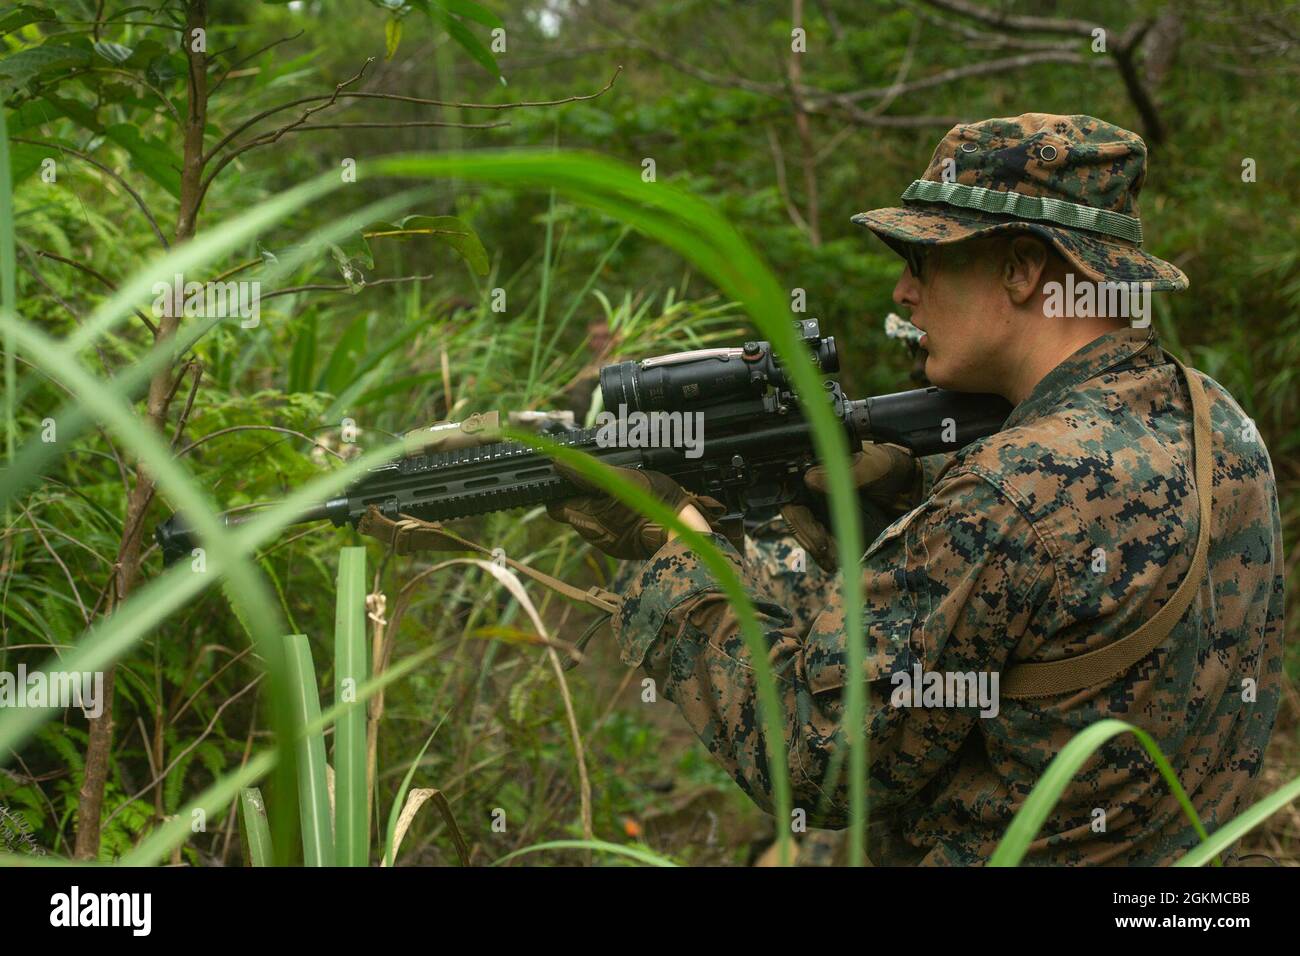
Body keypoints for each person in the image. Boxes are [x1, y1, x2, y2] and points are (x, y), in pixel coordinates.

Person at [544, 113, 1286, 865]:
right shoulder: (1216, 418)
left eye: (923, 260)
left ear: (1022, 269)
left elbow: (816, 763)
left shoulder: (1009, 492)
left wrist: (680, 550)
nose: (903, 292)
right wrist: (914, 497)